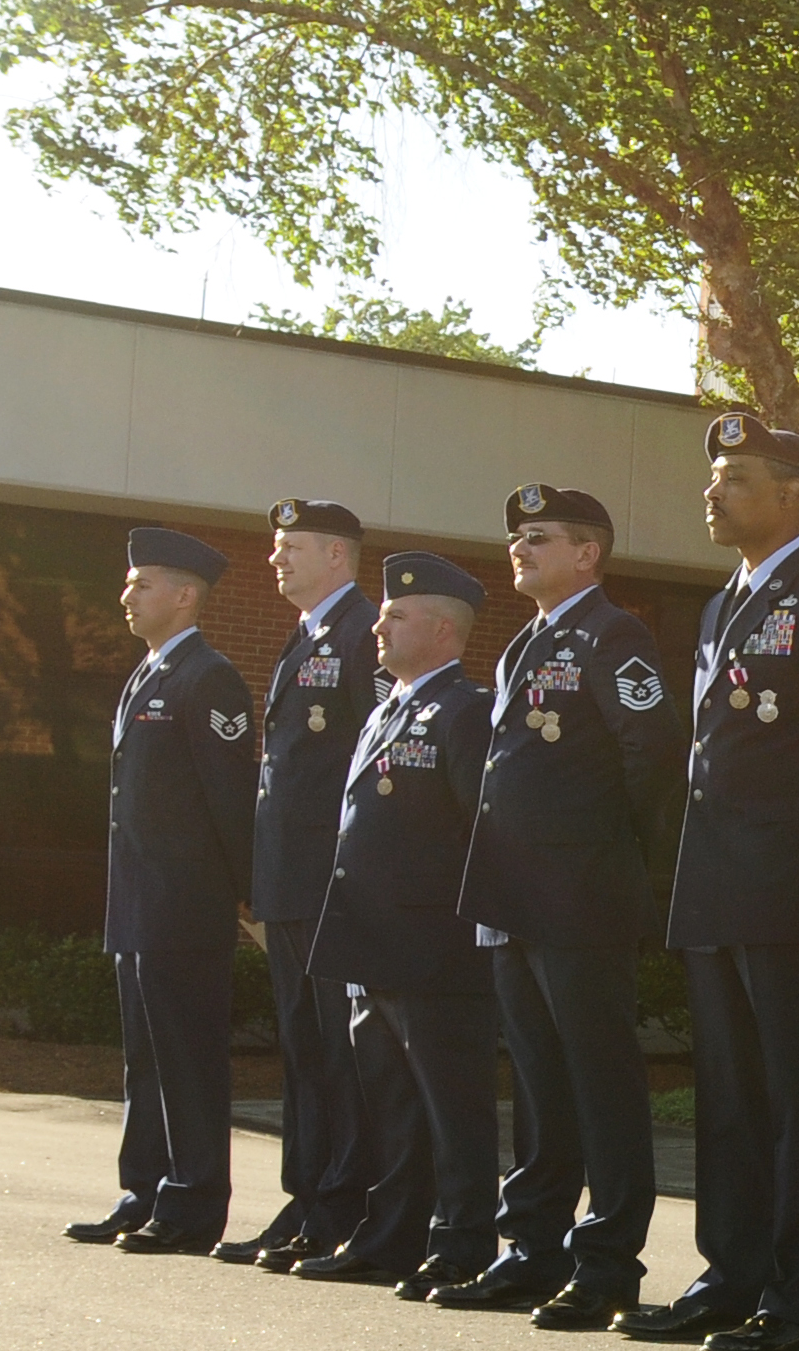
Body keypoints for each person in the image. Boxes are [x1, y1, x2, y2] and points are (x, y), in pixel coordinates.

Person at [631, 414, 799, 1351]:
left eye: (735, 476)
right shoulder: (720, 606)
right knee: (732, 1100)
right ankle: (731, 1273)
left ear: (792, 492)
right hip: (719, 890)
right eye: (713, 477)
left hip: (794, 891)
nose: (713, 491)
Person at [452, 485, 685, 1323]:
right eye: (516, 534)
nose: (520, 545)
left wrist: (611, 855)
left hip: (580, 893)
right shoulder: (524, 642)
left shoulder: (612, 632)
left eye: (539, 536)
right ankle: (532, 1246)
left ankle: (608, 1259)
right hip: (514, 896)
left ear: (587, 553)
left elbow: (652, 751)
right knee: (541, 1081)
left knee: (599, 1079)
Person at [299, 554, 499, 1286]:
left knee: (451, 1110)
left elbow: (482, 827)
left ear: (444, 628)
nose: (378, 623)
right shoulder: (390, 707)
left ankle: (462, 1243)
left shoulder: (466, 710)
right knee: (392, 1108)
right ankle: (390, 1237)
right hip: (372, 944)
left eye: (397, 614)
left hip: (433, 949)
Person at [73, 527, 260, 1252]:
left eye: (141, 583)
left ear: (185, 595)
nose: (127, 594)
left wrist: (244, 893)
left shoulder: (207, 677)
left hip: (185, 906)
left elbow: (228, 796)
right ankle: (144, 1190)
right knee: (145, 1058)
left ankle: (192, 1203)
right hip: (141, 901)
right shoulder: (148, 673)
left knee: (186, 1056)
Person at [225, 499, 379, 1270]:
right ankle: (306, 1196)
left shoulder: (362, 632)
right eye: (275, 547)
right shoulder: (306, 635)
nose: (275, 560)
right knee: (301, 1049)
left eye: (291, 548)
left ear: (337, 556)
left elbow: (373, 762)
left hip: (332, 882)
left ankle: (344, 1202)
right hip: (289, 880)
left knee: (337, 1049)